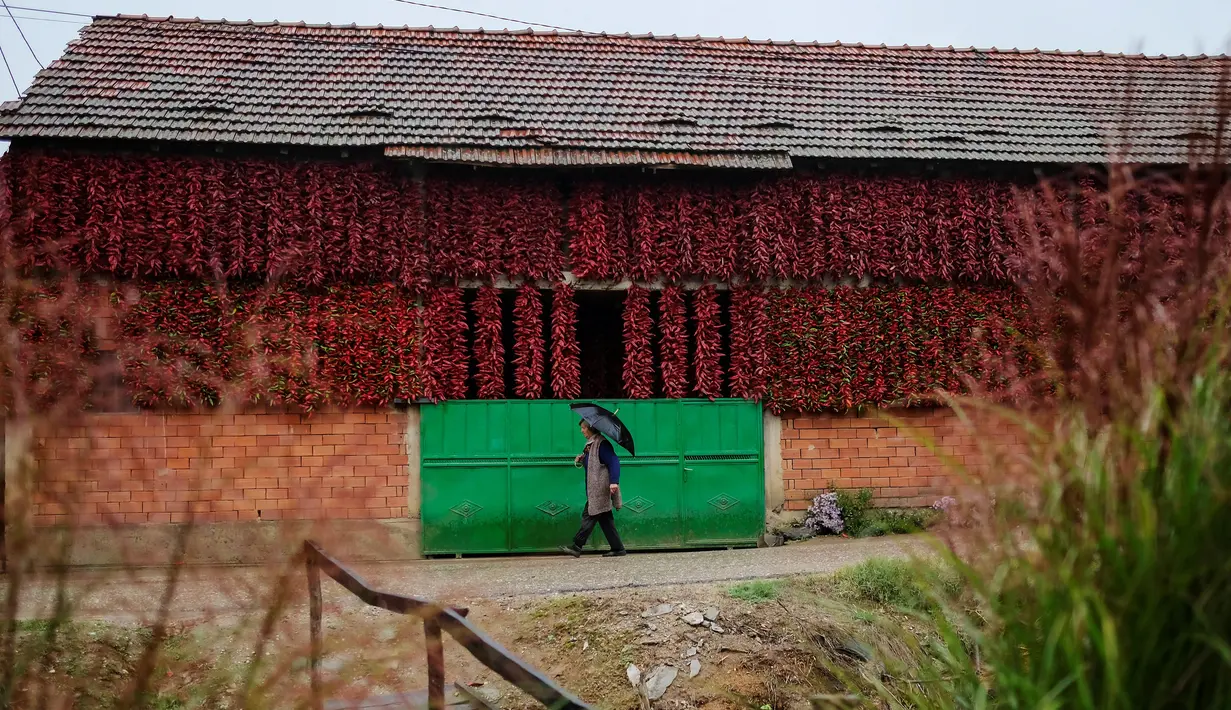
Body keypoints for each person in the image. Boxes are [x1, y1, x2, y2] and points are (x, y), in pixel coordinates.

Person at [560, 420, 626, 557]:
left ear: (590, 428)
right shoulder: (591, 444)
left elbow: (614, 461)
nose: (581, 431)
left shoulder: (602, 444)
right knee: (605, 519)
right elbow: (594, 461)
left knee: (589, 515)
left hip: (599, 489)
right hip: (594, 488)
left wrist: (614, 482)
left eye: (583, 428)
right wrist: (582, 459)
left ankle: (577, 546)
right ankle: (618, 548)